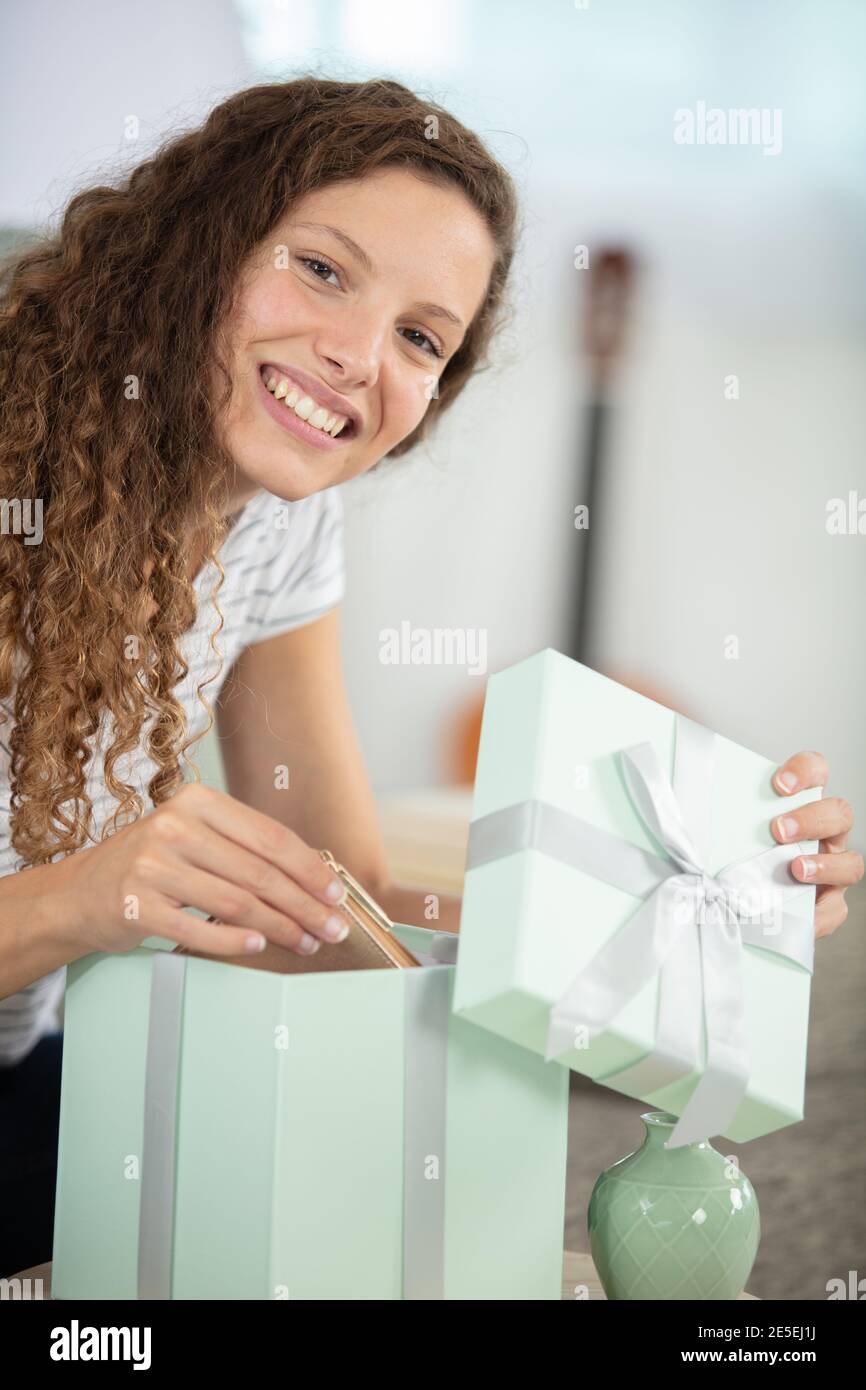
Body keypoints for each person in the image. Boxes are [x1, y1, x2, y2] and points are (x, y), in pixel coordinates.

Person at [0, 78, 860, 1277]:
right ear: (196, 242)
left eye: (420, 338)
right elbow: (110, 904)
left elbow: (331, 911)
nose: (356, 358)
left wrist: (687, 912)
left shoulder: (278, 527)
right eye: (321, 268)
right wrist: (78, 899)